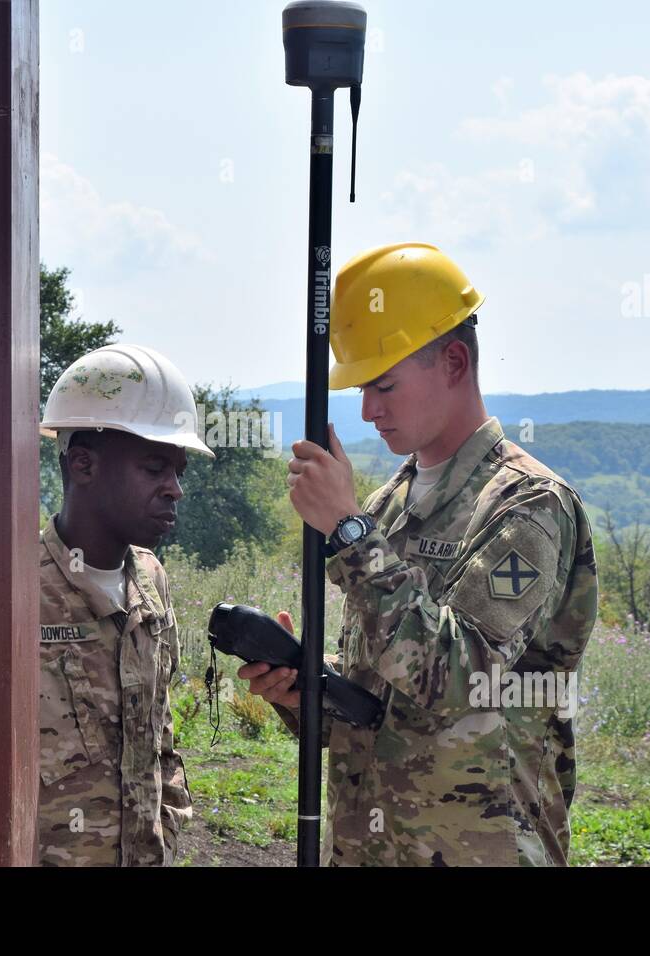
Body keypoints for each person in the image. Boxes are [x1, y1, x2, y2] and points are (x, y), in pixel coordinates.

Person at [241, 242, 598, 866]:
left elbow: (464, 677)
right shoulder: (389, 504)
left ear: (454, 362)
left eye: (383, 384)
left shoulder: (529, 506)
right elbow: (386, 697)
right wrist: (309, 692)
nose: (368, 409)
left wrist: (350, 535)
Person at [37, 343, 213, 866]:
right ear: (84, 465)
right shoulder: (14, 589)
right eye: (155, 467)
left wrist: (170, 821)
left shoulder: (152, 581)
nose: (174, 490)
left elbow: (160, 734)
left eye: (179, 471)